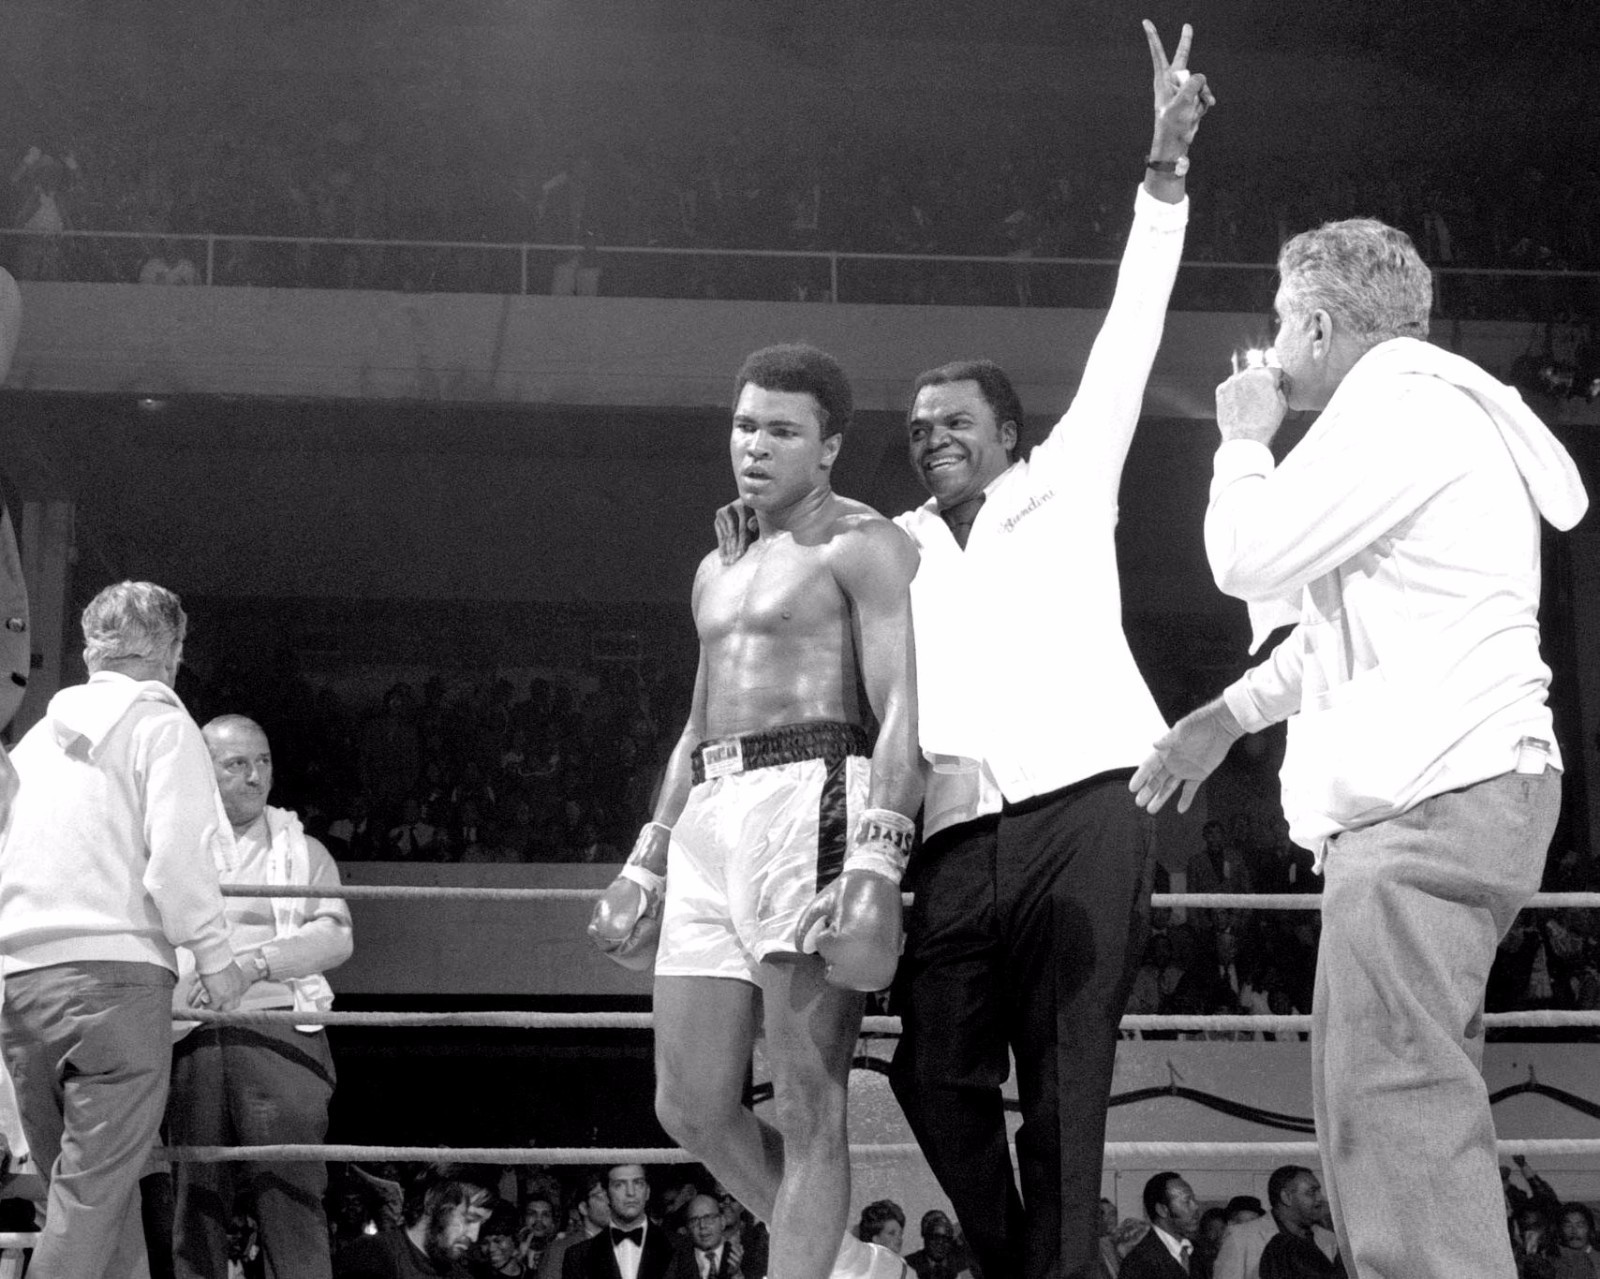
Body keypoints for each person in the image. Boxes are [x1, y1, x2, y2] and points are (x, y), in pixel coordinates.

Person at [1130, 218, 1588, 1279]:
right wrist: (1230, 714)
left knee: (1395, 1107)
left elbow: (1244, 557)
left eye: (1284, 323)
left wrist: (1242, 435)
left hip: (1431, 797)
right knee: (1377, 1106)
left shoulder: (1401, 411)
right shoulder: (1428, 413)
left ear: (1320, 323)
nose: (1274, 346)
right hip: (1454, 790)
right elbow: (1349, 634)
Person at [882, 25, 1210, 1279]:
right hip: (959, 828)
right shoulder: (892, 542)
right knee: (929, 1063)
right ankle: (1022, 1252)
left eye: (954, 423)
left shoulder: (1070, 480)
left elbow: (1132, 323)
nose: (930, 440)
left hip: (1089, 804)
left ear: (1010, 432)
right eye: (915, 429)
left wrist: (1162, 172)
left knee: (1069, 1080)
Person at [594, 344, 922, 1279]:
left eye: (782, 429)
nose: (757, 445)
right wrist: (646, 855)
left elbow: (899, 706)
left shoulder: (862, 542)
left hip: (810, 793)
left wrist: (879, 855)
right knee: (690, 1102)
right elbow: (695, 724)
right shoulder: (717, 564)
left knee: (809, 1099)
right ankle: (850, 1263)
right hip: (712, 809)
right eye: (745, 425)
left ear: (828, 448)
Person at [0, 580, 250, 1279]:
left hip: (22, 993)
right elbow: (177, 867)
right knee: (86, 1208)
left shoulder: (31, 745)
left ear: (90, 653)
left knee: (90, 1207)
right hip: (116, 988)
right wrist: (218, 957)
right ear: (171, 653)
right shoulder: (161, 726)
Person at [168, 713, 355, 1279]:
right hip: (190, 1033)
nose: (256, 777)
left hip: (279, 1030)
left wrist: (250, 965)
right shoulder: (171, 845)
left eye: (264, 761)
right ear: (205, 771)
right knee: (195, 1201)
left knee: (292, 1198)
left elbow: (335, 935)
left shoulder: (304, 849)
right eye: (238, 764)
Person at [335, 1166, 494, 1278]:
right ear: (433, 1202)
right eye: (469, 1219)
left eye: (482, 1224)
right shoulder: (371, 1255)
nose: (474, 1236)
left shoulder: (460, 1275)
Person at [560, 1164, 690, 1279]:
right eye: (619, 1185)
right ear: (607, 1195)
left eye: (638, 1183)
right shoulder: (578, 1256)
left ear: (647, 1192)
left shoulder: (680, 1247)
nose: (630, 1192)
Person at [1256, 1168, 1343, 1279]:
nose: (1320, 1198)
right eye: (1312, 1192)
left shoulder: (1329, 1238)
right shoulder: (1242, 1237)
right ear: (1286, 1197)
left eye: (1319, 1192)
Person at [1118, 1174, 1202, 1279]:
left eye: (1194, 1199)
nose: (1196, 1206)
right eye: (1186, 1201)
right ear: (1162, 1210)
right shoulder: (1139, 1263)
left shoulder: (1198, 1253)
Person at [686, 1193, 744, 1279]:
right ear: (688, 1227)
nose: (702, 1225)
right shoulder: (678, 1262)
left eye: (709, 1218)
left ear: (722, 1222)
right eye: (694, 1220)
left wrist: (735, 1274)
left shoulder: (738, 1257)